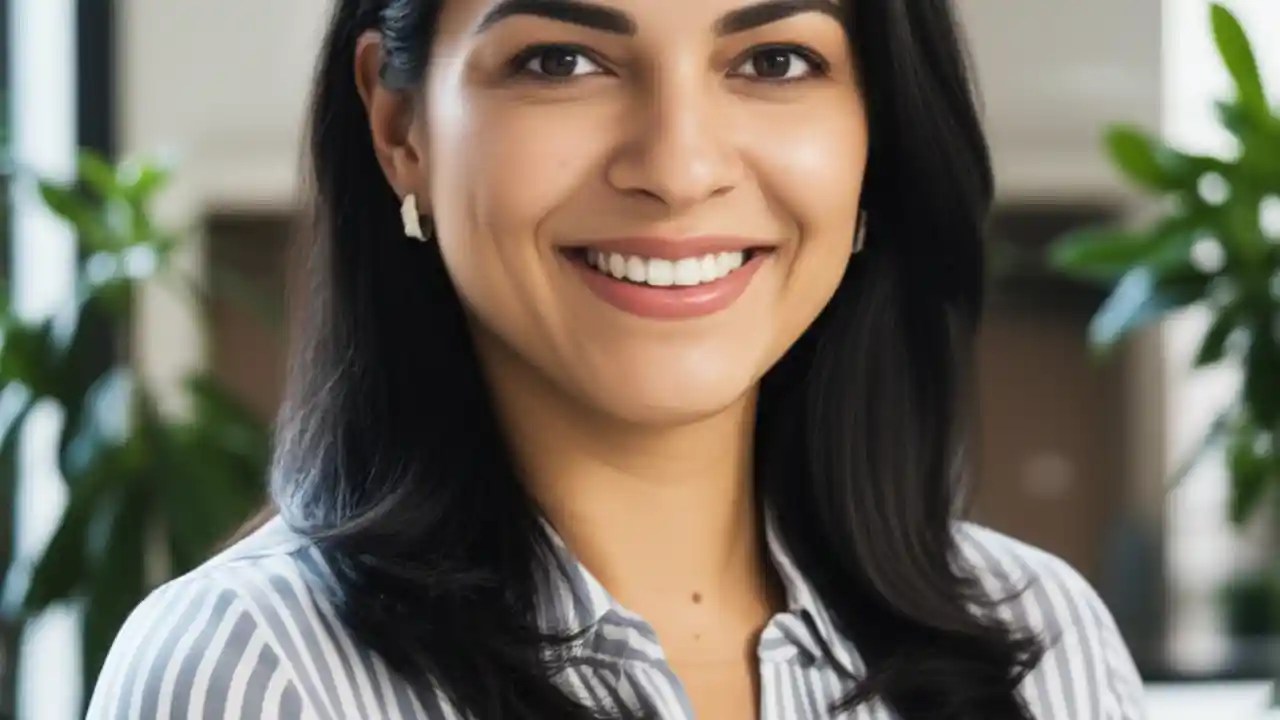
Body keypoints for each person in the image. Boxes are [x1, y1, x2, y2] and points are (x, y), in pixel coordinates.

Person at [86, 0, 1148, 717]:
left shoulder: (1039, 639)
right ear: (400, 125)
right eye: (560, 60)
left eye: (773, 60)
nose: (677, 167)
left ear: (878, 131)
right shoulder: (259, 671)